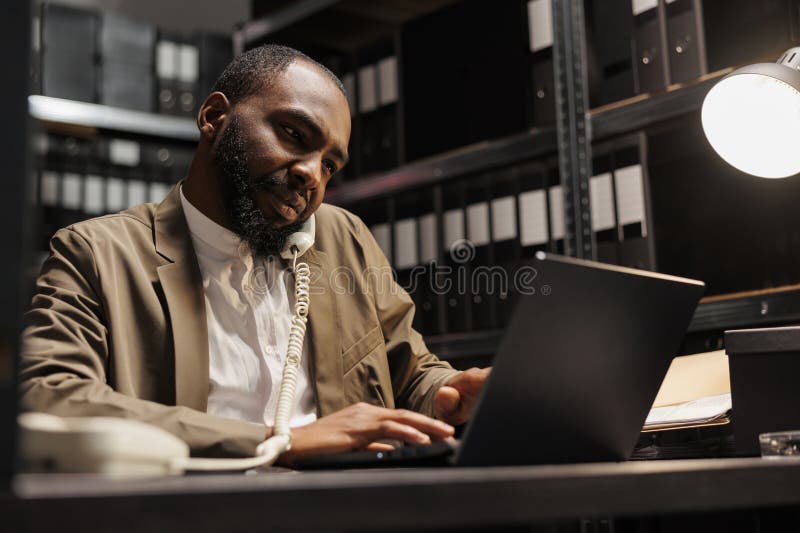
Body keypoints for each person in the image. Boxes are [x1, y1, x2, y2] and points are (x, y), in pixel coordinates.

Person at [20, 44, 490, 465]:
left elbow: (408, 371)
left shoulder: (343, 236)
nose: (313, 176)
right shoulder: (96, 252)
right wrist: (274, 440)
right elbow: (50, 397)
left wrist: (444, 393)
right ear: (213, 117)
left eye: (329, 164)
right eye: (293, 134)